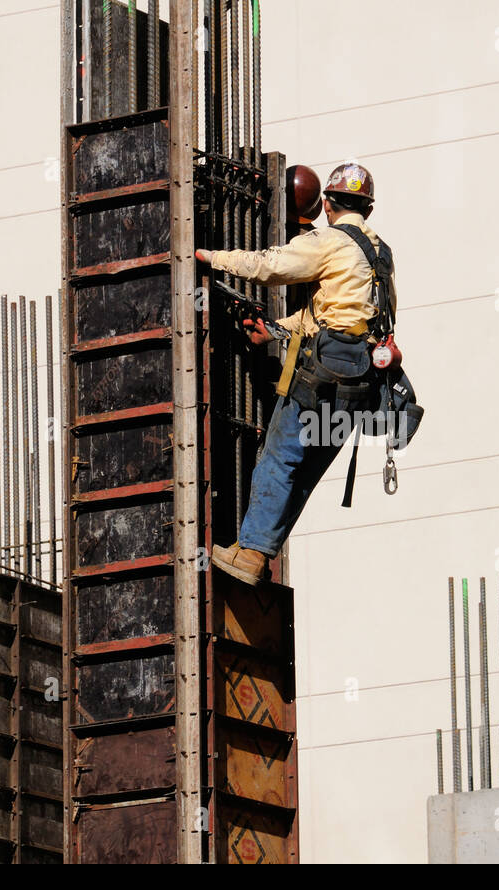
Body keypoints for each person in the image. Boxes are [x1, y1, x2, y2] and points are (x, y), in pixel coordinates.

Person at [195, 162, 394, 585]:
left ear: (327, 205)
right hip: (362, 384)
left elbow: (271, 266)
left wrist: (214, 258)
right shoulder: (381, 256)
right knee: (304, 472)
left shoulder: (331, 241)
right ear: (368, 209)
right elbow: (347, 318)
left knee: (279, 456)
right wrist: (276, 332)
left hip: (326, 374)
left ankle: (249, 554)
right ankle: (260, 550)